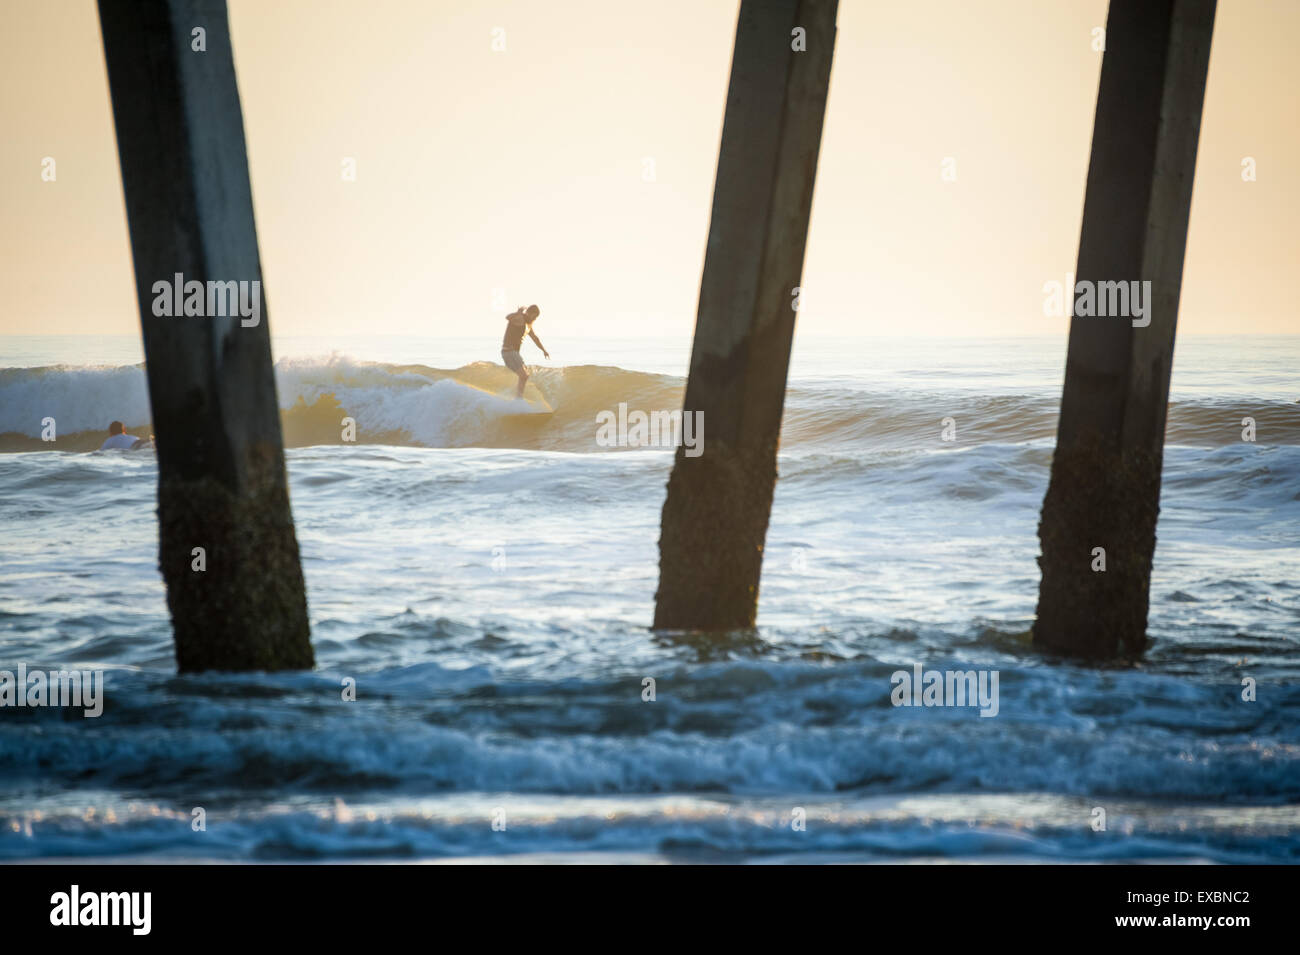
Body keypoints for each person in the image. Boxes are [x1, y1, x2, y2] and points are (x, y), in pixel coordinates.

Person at [501, 304, 549, 398]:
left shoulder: (528, 324)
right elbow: (508, 317)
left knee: (524, 374)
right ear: (529, 313)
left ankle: (514, 396)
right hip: (509, 352)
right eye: (534, 316)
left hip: (512, 353)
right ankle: (518, 399)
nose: (534, 319)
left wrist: (544, 350)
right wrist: (518, 312)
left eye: (536, 317)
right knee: (524, 376)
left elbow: (535, 338)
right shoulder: (520, 318)